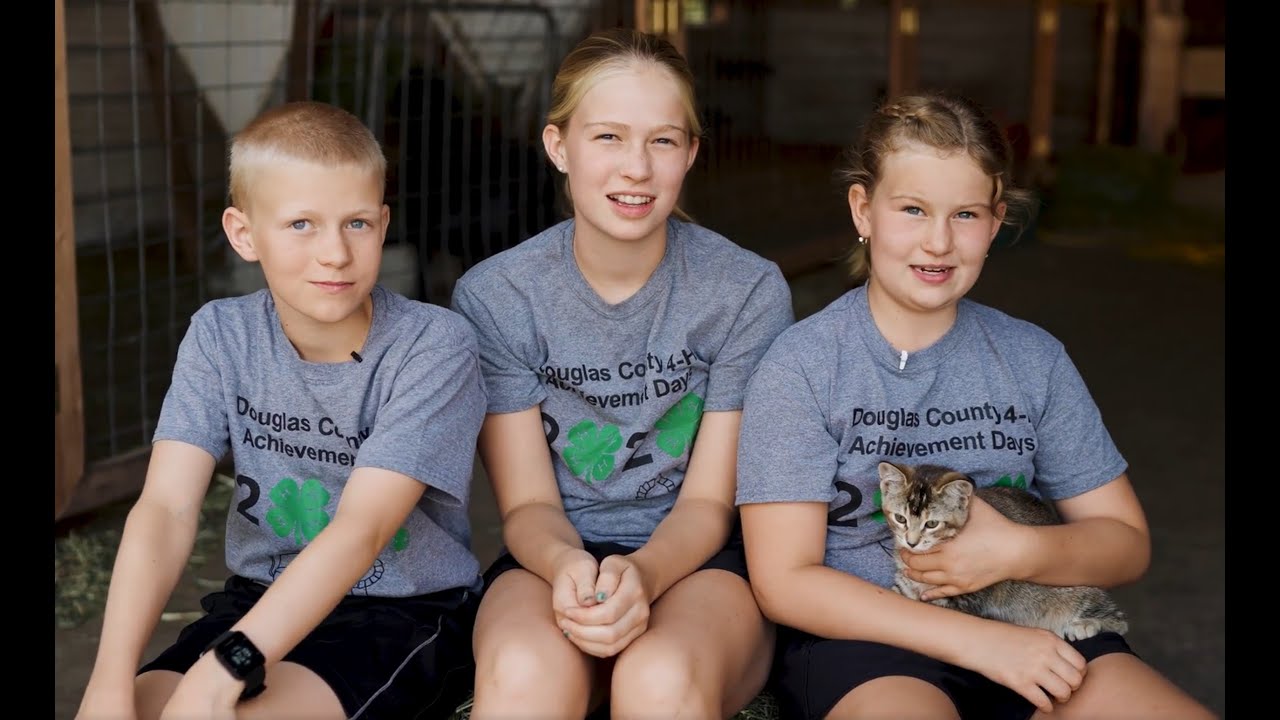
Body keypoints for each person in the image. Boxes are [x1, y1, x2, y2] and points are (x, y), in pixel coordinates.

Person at [735, 90, 1217, 720]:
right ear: (864, 210)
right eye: (912, 209)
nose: (938, 242)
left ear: (995, 222)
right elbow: (783, 580)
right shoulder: (802, 365)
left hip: (1034, 626)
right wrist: (981, 644)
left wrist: (1018, 552)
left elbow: (1126, 543)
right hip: (873, 643)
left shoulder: (1031, 359)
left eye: (965, 215)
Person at [74, 101, 487, 720]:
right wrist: (107, 684)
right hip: (257, 599)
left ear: (383, 223)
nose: (335, 254)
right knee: (143, 708)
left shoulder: (432, 346)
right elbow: (165, 506)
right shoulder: (220, 335)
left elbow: (361, 530)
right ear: (244, 234)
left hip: (397, 611)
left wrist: (226, 669)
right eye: (301, 225)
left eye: (356, 224)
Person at [450, 27, 794, 720]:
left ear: (690, 153)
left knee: (659, 680)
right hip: (552, 555)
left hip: (701, 562)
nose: (636, 167)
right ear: (558, 147)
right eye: (608, 137)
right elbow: (526, 507)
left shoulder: (745, 291)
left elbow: (708, 504)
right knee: (522, 675)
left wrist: (643, 573)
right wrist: (567, 569)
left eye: (663, 140)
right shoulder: (497, 296)